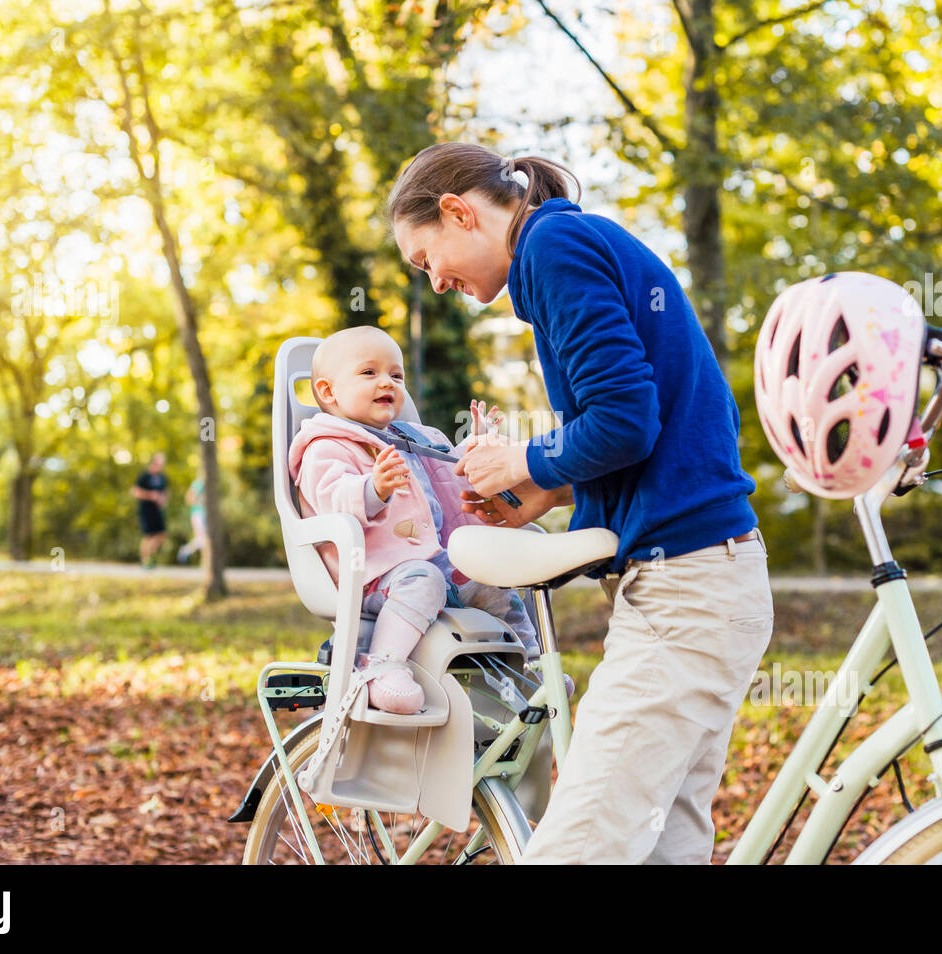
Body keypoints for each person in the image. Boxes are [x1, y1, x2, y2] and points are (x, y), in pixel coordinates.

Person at [388, 143, 773, 864]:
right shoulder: (565, 244)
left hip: (685, 587)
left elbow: (626, 418)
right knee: (664, 842)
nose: (433, 281)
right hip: (715, 576)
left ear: (457, 211)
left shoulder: (553, 248)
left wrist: (523, 457)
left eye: (424, 257)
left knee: (581, 845)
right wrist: (546, 489)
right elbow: (650, 429)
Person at [288, 326, 540, 714]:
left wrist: (473, 448)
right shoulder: (325, 446)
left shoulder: (411, 438)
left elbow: (444, 476)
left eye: (396, 374)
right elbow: (333, 498)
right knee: (422, 580)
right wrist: (373, 488)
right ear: (327, 392)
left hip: (438, 563)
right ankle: (382, 667)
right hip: (373, 574)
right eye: (369, 373)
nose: (387, 381)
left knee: (498, 585)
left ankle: (529, 672)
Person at [131, 452, 169, 569]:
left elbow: (165, 492)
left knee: (161, 535)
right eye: (159, 463)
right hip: (146, 510)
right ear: (154, 463)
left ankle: (148, 557)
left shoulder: (162, 477)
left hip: (157, 510)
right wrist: (150, 495)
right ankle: (145, 561)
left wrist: (163, 500)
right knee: (148, 536)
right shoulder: (144, 476)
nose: (161, 466)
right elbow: (134, 491)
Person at [177, 475, 207, 564]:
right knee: (201, 539)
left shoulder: (208, 484)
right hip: (198, 514)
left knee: (203, 540)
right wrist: (198, 502)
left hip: (203, 514)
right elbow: (189, 497)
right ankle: (185, 551)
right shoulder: (199, 483)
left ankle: (186, 551)